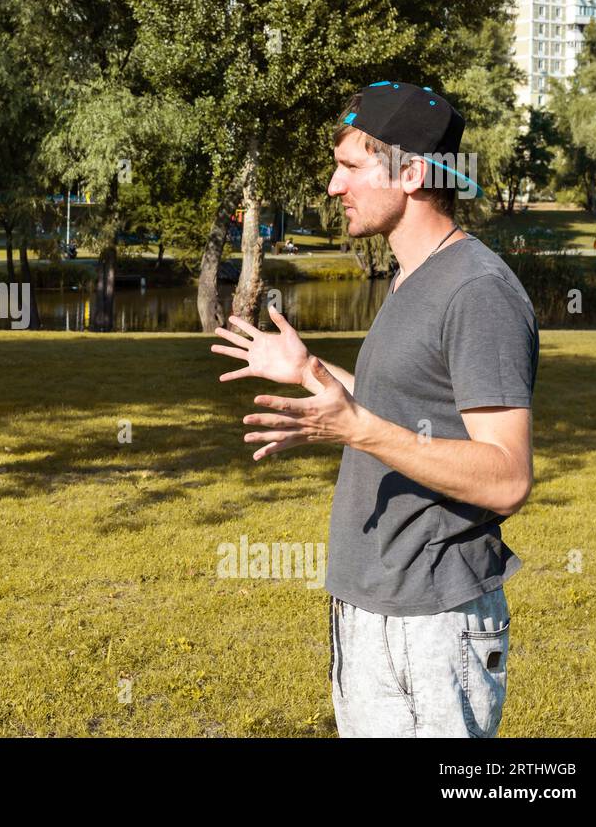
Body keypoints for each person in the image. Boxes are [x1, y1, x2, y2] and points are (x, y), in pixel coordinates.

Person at [210, 81, 538, 738]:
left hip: (435, 619)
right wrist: (310, 371)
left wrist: (356, 428)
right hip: (371, 603)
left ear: (413, 173)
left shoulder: (477, 291)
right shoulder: (413, 275)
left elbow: (507, 478)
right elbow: (405, 408)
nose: (335, 187)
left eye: (352, 167)